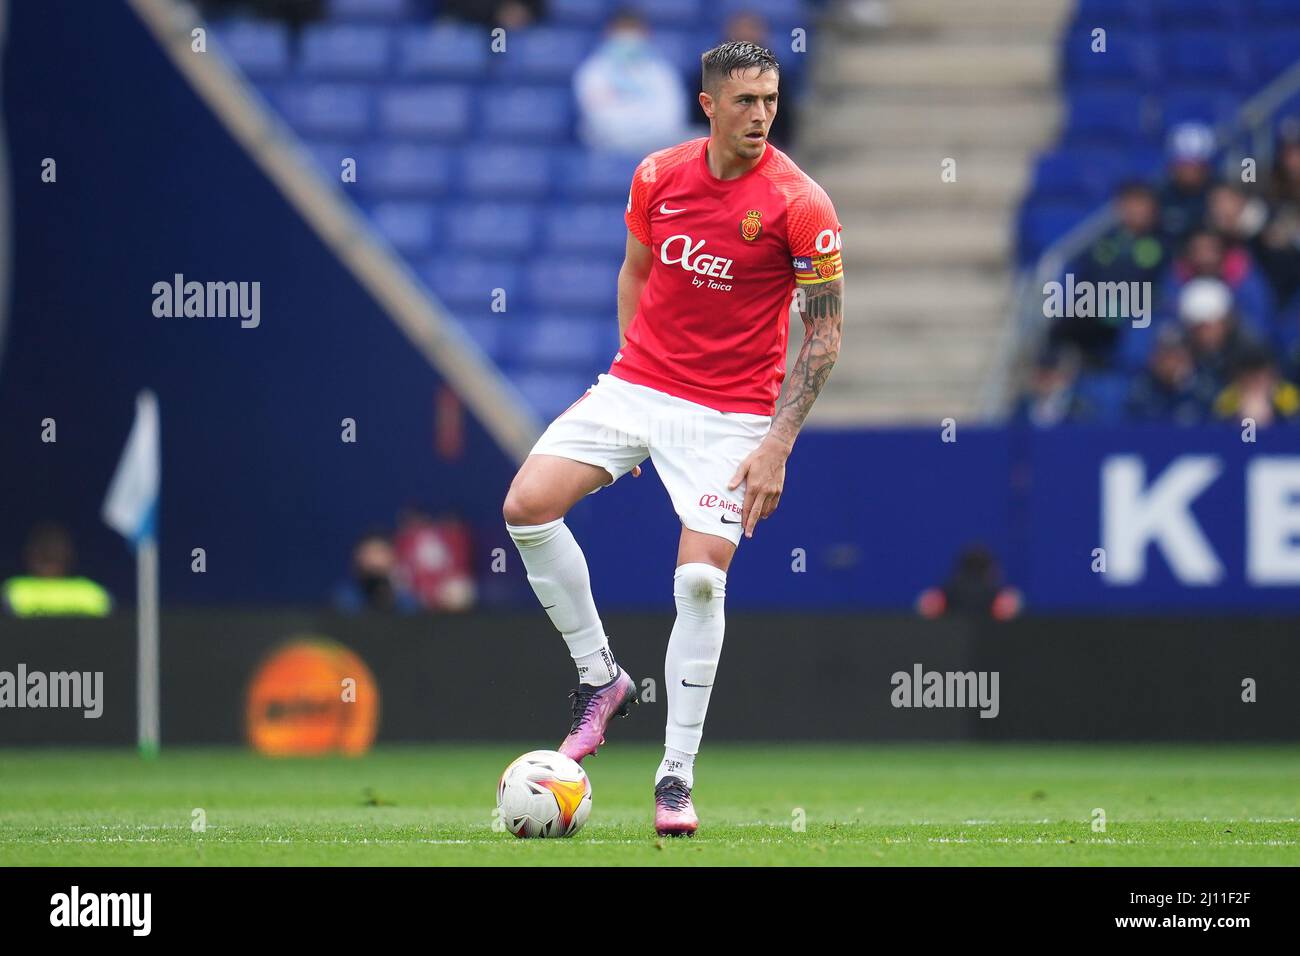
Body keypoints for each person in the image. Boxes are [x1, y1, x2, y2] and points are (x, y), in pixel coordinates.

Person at [503, 41, 843, 836]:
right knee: (525, 506)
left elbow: (823, 340)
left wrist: (777, 445)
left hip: (730, 415)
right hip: (637, 386)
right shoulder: (657, 175)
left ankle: (675, 777)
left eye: (770, 99)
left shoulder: (801, 203)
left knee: (698, 583)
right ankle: (601, 677)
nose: (761, 114)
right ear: (709, 105)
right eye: (745, 101)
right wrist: (630, 381)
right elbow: (635, 271)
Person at [573, 10, 690, 155]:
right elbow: (599, 118)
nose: (628, 37)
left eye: (633, 31)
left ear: (646, 34)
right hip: (607, 148)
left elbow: (672, 116)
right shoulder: (593, 71)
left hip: (658, 145)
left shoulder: (661, 71)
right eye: (622, 31)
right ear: (608, 33)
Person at [2, 523, 111, 617]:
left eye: (55, 546)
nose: (48, 552)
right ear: (29, 552)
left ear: (69, 552)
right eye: (43, 546)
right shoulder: (13, 589)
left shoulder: (91, 592)